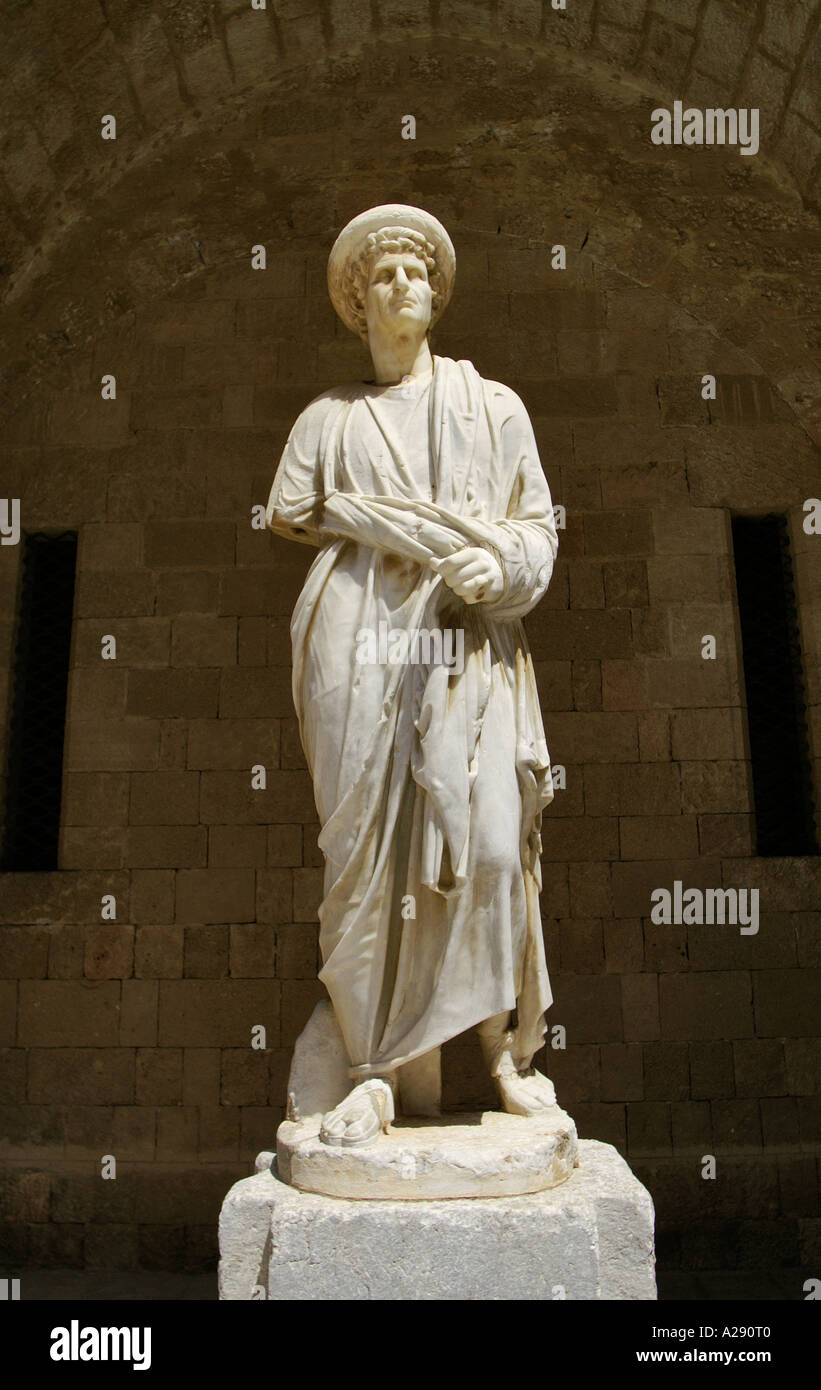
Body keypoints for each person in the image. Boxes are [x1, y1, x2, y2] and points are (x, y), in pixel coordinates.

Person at [266, 205, 559, 1147]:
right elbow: (292, 508)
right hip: (356, 646)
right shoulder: (327, 422)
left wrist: (501, 566)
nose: (401, 286)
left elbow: (536, 527)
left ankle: (502, 1057)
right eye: (381, 276)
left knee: (484, 848)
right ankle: (375, 1070)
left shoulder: (492, 405)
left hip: (466, 644)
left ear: (436, 291)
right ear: (356, 306)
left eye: (414, 272)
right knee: (363, 865)